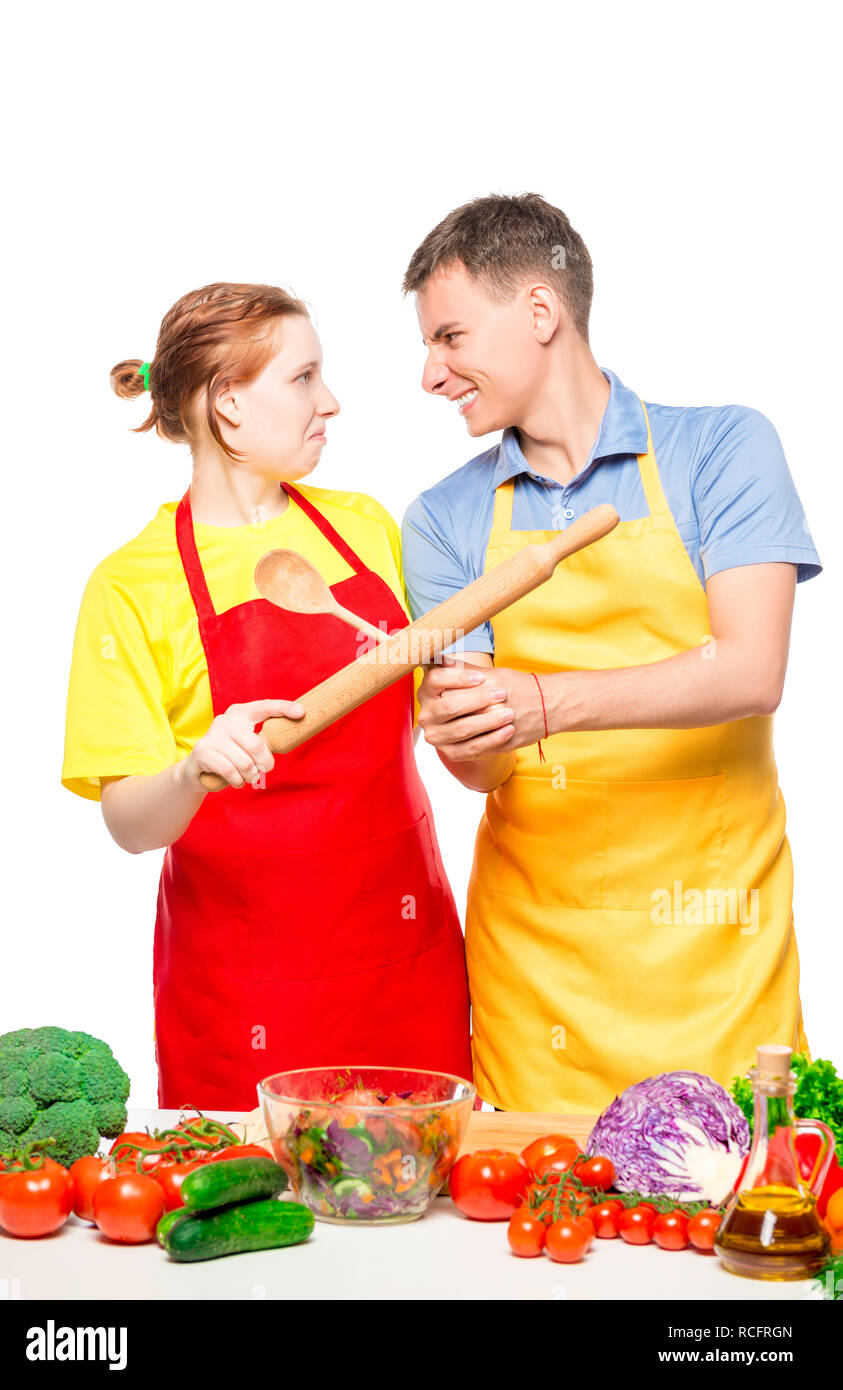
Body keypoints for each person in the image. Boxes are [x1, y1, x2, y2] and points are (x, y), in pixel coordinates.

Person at [399, 194, 822, 1114]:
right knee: (536, 1231)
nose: (430, 373)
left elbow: (750, 670)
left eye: (450, 337)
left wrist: (541, 701)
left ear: (541, 314)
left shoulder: (720, 448)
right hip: (538, 973)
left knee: (735, 1211)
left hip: (715, 952)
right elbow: (483, 769)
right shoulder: (440, 520)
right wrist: (465, 735)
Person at [62, 281, 472, 1110]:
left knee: (422, 1212)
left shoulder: (364, 526)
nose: (332, 402)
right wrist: (190, 773)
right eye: (303, 378)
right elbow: (128, 826)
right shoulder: (132, 585)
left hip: (404, 956)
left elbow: (441, 708)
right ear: (227, 403)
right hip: (246, 987)